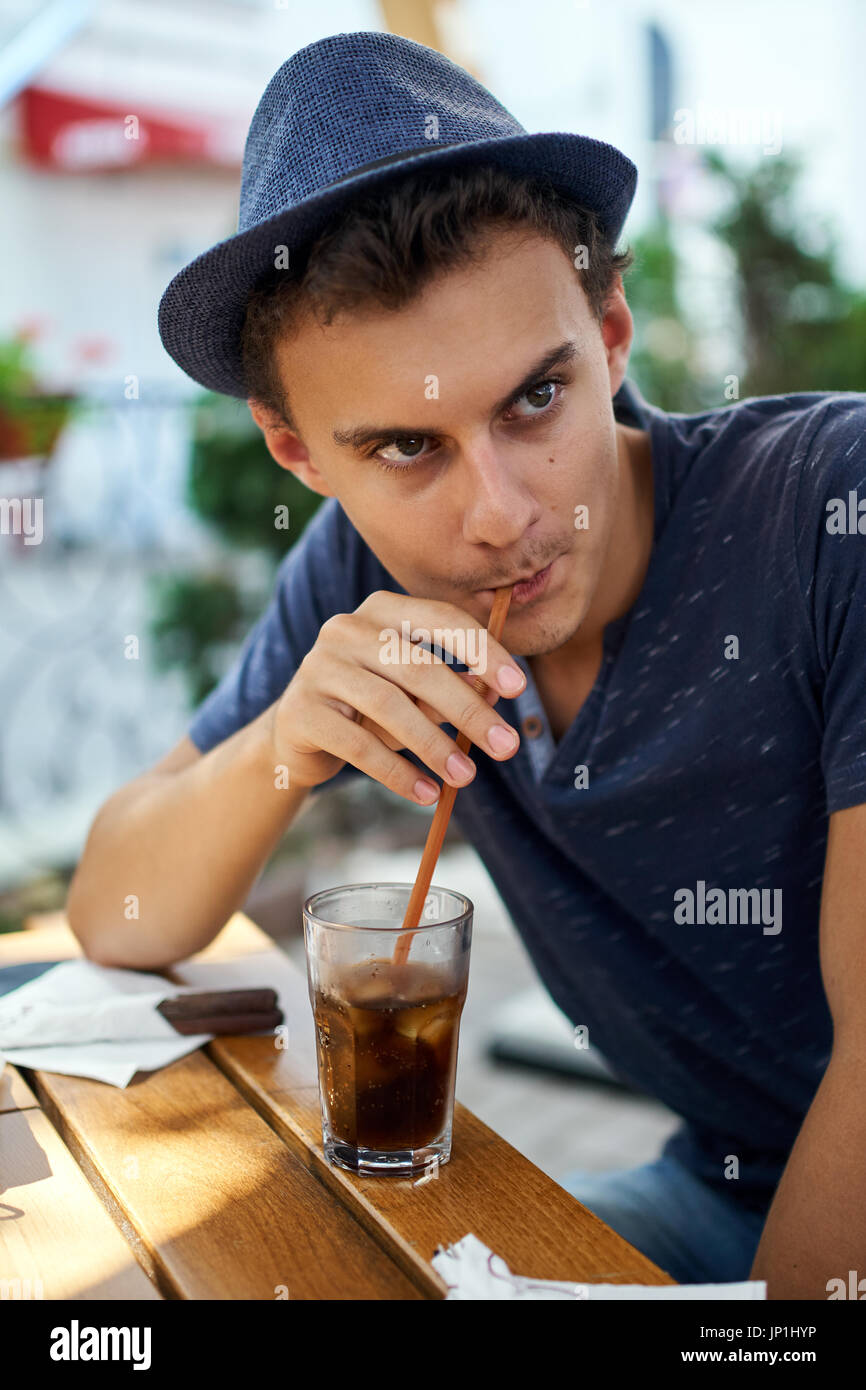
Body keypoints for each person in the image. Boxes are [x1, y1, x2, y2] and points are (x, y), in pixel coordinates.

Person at [67, 32, 866, 1298]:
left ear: (609, 334)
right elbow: (117, 912)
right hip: (718, 1182)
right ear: (297, 454)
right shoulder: (355, 575)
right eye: (402, 447)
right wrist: (279, 745)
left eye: (536, 399)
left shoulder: (830, 509)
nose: (495, 516)